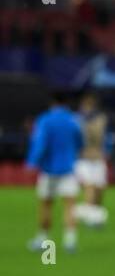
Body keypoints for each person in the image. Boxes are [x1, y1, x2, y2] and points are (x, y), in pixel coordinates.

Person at [25, 91, 83, 253]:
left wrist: (32, 162)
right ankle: (70, 242)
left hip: (49, 170)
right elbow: (80, 141)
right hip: (68, 168)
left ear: (52, 103)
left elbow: (40, 143)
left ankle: (43, 239)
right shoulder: (73, 120)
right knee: (70, 205)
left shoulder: (45, 120)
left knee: (46, 205)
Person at [73, 92, 110, 228]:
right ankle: (89, 218)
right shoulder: (76, 119)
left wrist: (107, 151)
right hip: (83, 158)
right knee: (90, 186)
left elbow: (106, 137)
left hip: (98, 157)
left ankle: (92, 215)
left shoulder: (101, 119)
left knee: (100, 188)